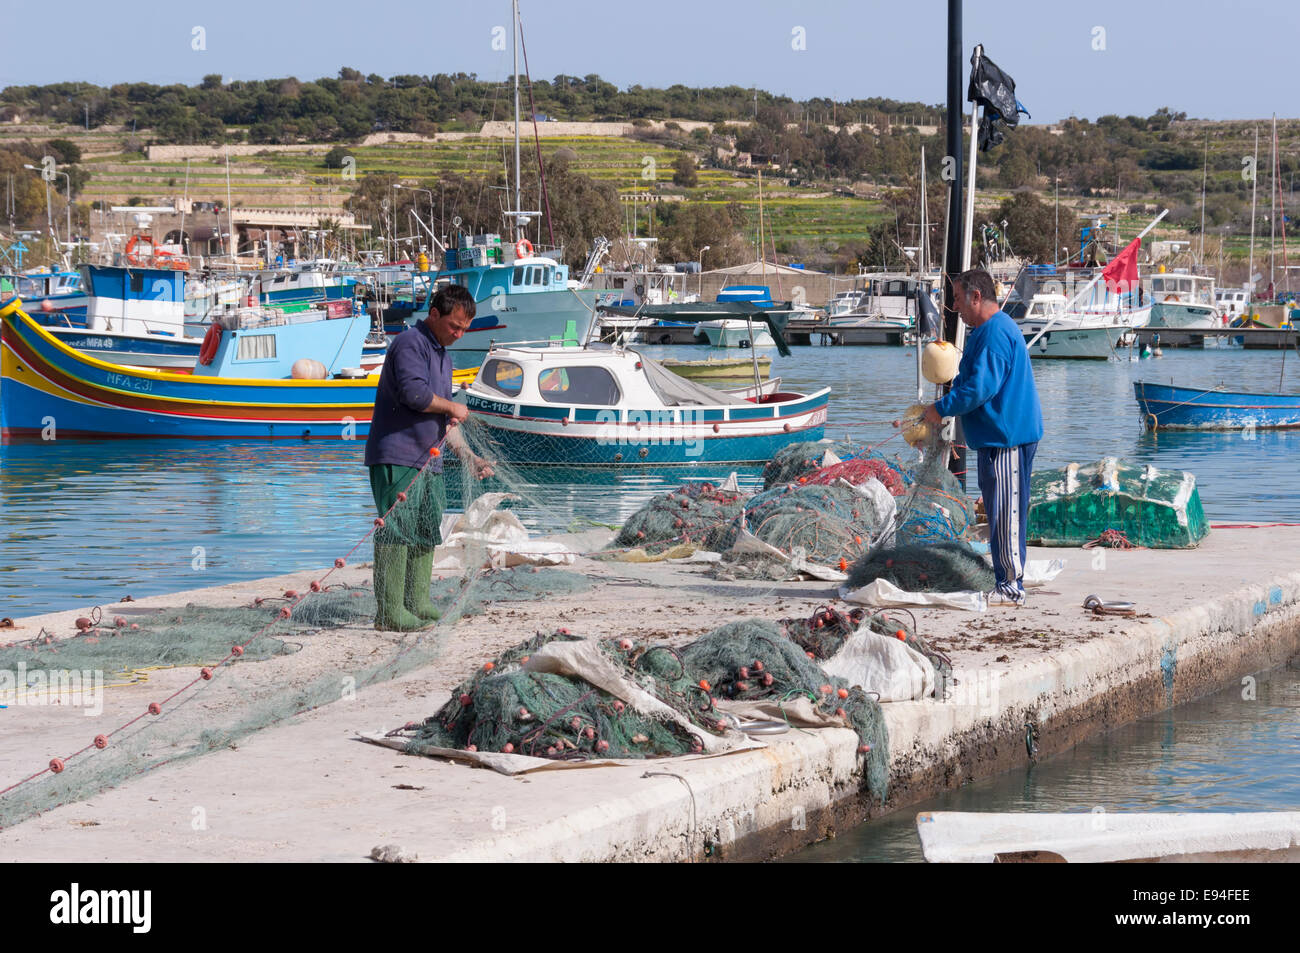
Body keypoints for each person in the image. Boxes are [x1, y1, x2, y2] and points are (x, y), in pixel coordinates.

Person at [364, 284, 493, 631]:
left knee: (425, 530)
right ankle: (390, 613)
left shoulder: (444, 356)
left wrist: (469, 457)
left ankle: (417, 603)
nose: (459, 334)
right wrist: (452, 406)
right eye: (454, 326)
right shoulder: (411, 343)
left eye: (464, 329)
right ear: (434, 314)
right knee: (396, 530)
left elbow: (446, 421)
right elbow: (415, 394)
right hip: (398, 457)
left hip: (429, 462)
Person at [925, 268, 1043, 606]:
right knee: (999, 509)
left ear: (976, 296)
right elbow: (970, 381)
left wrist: (941, 409)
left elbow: (980, 388)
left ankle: (1011, 586)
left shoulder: (994, 333)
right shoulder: (985, 332)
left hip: (1007, 439)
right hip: (996, 438)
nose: (955, 308)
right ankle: (1006, 577)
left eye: (958, 299)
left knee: (1006, 513)